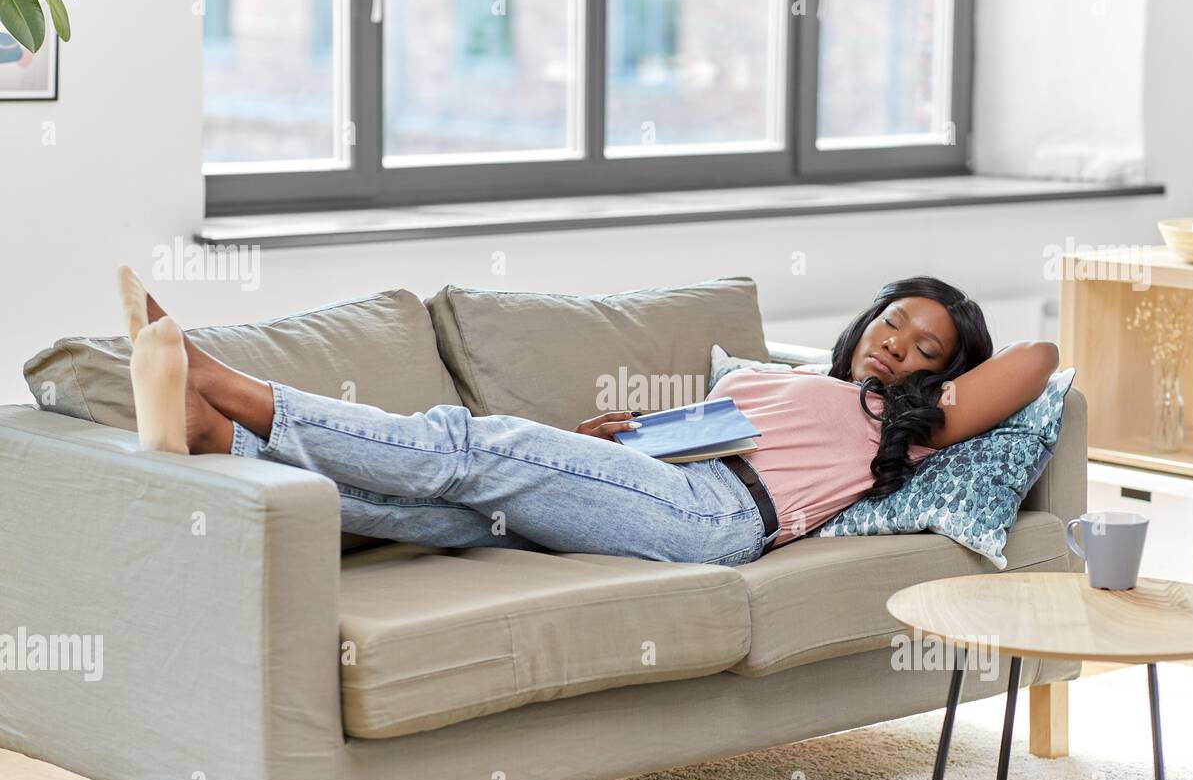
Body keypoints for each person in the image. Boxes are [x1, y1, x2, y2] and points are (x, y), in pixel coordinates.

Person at [118, 269, 1058, 567]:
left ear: (943, 380)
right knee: (449, 518)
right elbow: (707, 437)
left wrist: (940, 388)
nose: (897, 346)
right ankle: (220, 440)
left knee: (477, 443)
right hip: (672, 481)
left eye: (925, 349)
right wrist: (617, 439)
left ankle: (230, 384)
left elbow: (1040, 360)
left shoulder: (901, 421)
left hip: (716, 516)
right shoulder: (789, 380)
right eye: (894, 323)